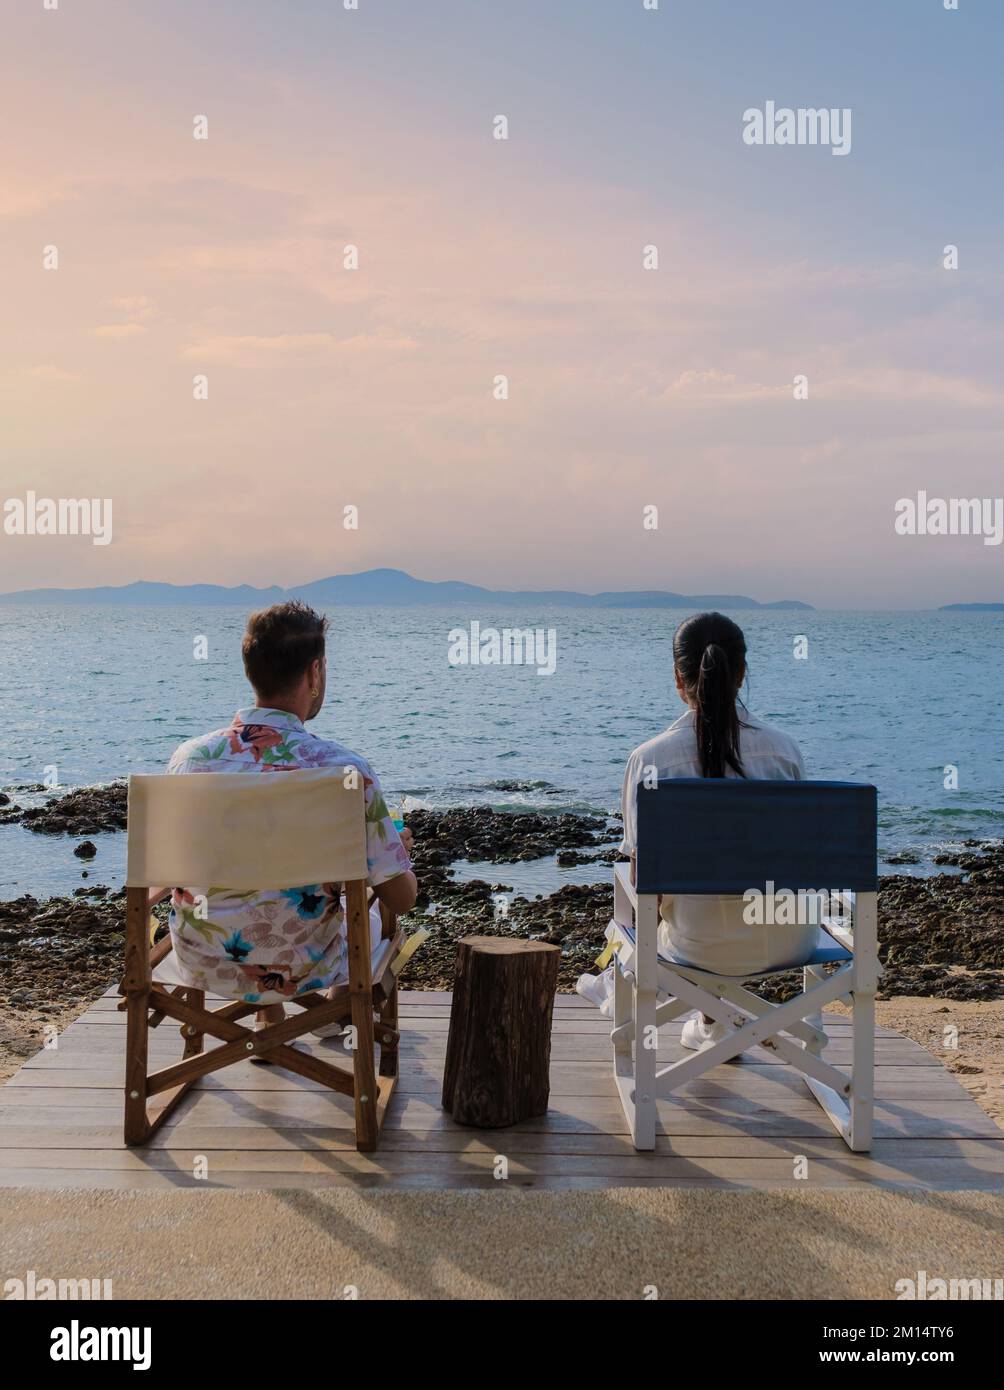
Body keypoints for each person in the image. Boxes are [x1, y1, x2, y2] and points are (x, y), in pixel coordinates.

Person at [162, 601, 417, 1041]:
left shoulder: (190, 760)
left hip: (204, 960)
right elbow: (403, 897)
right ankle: (334, 1007)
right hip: (308, 964)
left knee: (253, 894)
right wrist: (396, 853)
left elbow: (172, 864)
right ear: (315, 673)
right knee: (369, 908)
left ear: (251, 670)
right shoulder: (344, 771)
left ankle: (268, 1019)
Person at [618, 610, 814, 1053]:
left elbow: (645, 885)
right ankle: (715, 1023)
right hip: (791, 939)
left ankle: (692, 1013)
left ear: (678, 677)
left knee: (650, 910)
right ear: (741, 674)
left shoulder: (649, 761)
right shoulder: (784, 752)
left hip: (698, 947)